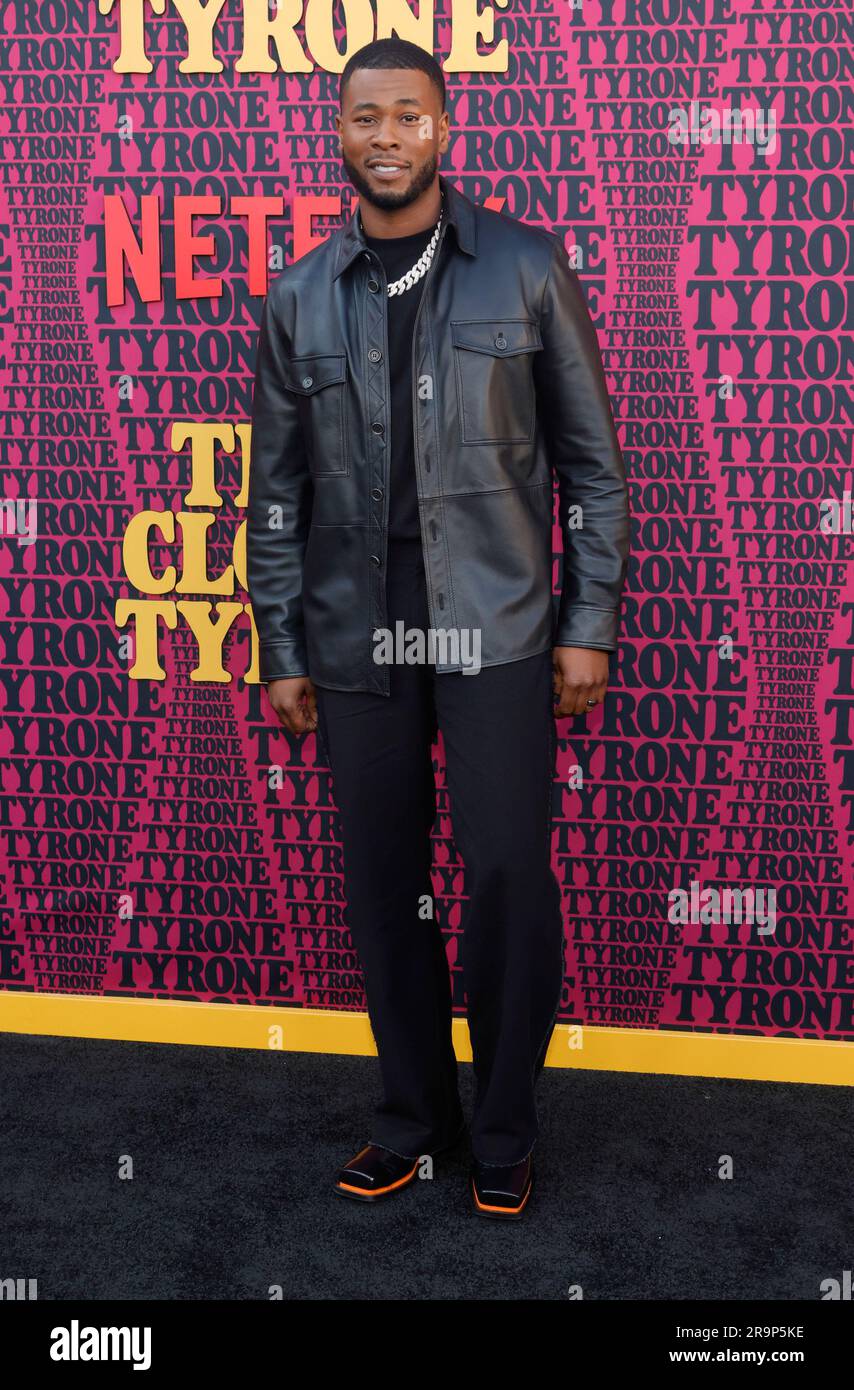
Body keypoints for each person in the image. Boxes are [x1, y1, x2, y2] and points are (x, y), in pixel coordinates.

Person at [247, 37, 630, 1219]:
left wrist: (587, 622)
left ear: (443, 126)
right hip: (357, 623)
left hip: (498, 617)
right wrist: (283, 644)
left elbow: (593, 470)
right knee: (382, 882)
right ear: (340, 130)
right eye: (364, 116)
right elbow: (273, 493)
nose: (385, 136)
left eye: (406, 114)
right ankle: (413, 1122)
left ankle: (504, 1126)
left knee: (506, 869)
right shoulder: (300, 293)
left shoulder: (521, 265)